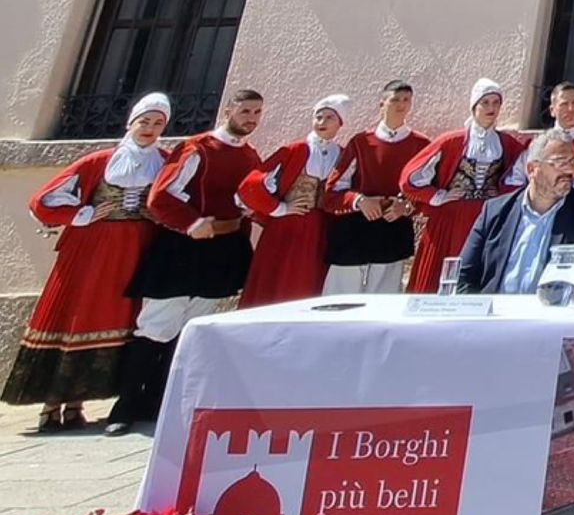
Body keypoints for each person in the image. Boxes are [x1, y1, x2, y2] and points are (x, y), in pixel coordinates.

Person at [3, 94, 172, 433]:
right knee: (77, 314)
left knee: (120, 319)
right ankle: (53, 404)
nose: (150, 129)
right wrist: (85, 214)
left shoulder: (165, 161)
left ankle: (82, 401)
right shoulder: (100, 162)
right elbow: (44, 201)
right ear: (131, 122)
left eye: (157, 124)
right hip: (93, 250)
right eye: (145, 121)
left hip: (138, 248)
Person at [108, 89, 266, 434]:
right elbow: (161, 196)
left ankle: (166, 402)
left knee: (193, 328)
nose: (250, 118)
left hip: (222, 250)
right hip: (182, 249)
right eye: (245, 111)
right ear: (229, 110)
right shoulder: (197, 148)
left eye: (256, 113)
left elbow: (248, 197)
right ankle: (126, 407)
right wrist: (193, 223)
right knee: (156, 324)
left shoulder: (252, 156)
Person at [400, 78, 529, 293]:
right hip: (451, 217)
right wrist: (438, 195)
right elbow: (411, 176)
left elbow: (520, 173)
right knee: (442, 270)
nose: (491, 108)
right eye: (485, 103)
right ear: (474, 106)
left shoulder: (507, 143)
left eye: (496, 103)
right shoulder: (451, 141)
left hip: (486, 216)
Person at [455, 129, 574, 295]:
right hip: (495, 314)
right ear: (532, 169)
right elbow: (463, 277)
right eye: (560, 162)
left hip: (552, 316)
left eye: (573, 163)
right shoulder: (495, 211)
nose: (569, 171)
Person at [238, 94, 350, 308]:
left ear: (340, 123)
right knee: (276, 281)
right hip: (286, 228)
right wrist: (279, 208)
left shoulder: (342, 155)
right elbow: (251, 185)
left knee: (308, 283)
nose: (322, 122)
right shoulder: (295, 150)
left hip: (320, 230)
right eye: (318, 116)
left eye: (329, 118)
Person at [324, 81, 429, 295]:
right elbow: (333, 190)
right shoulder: (361, 142)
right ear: (382, 104)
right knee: (340, 295)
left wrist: (406, 207)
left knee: (384, 298)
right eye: (395, 99)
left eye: (406, 100)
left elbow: (427, 191)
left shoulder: (421, 145)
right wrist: (360, 201)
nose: (401, 104)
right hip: (354, 229)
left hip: (393, 231)